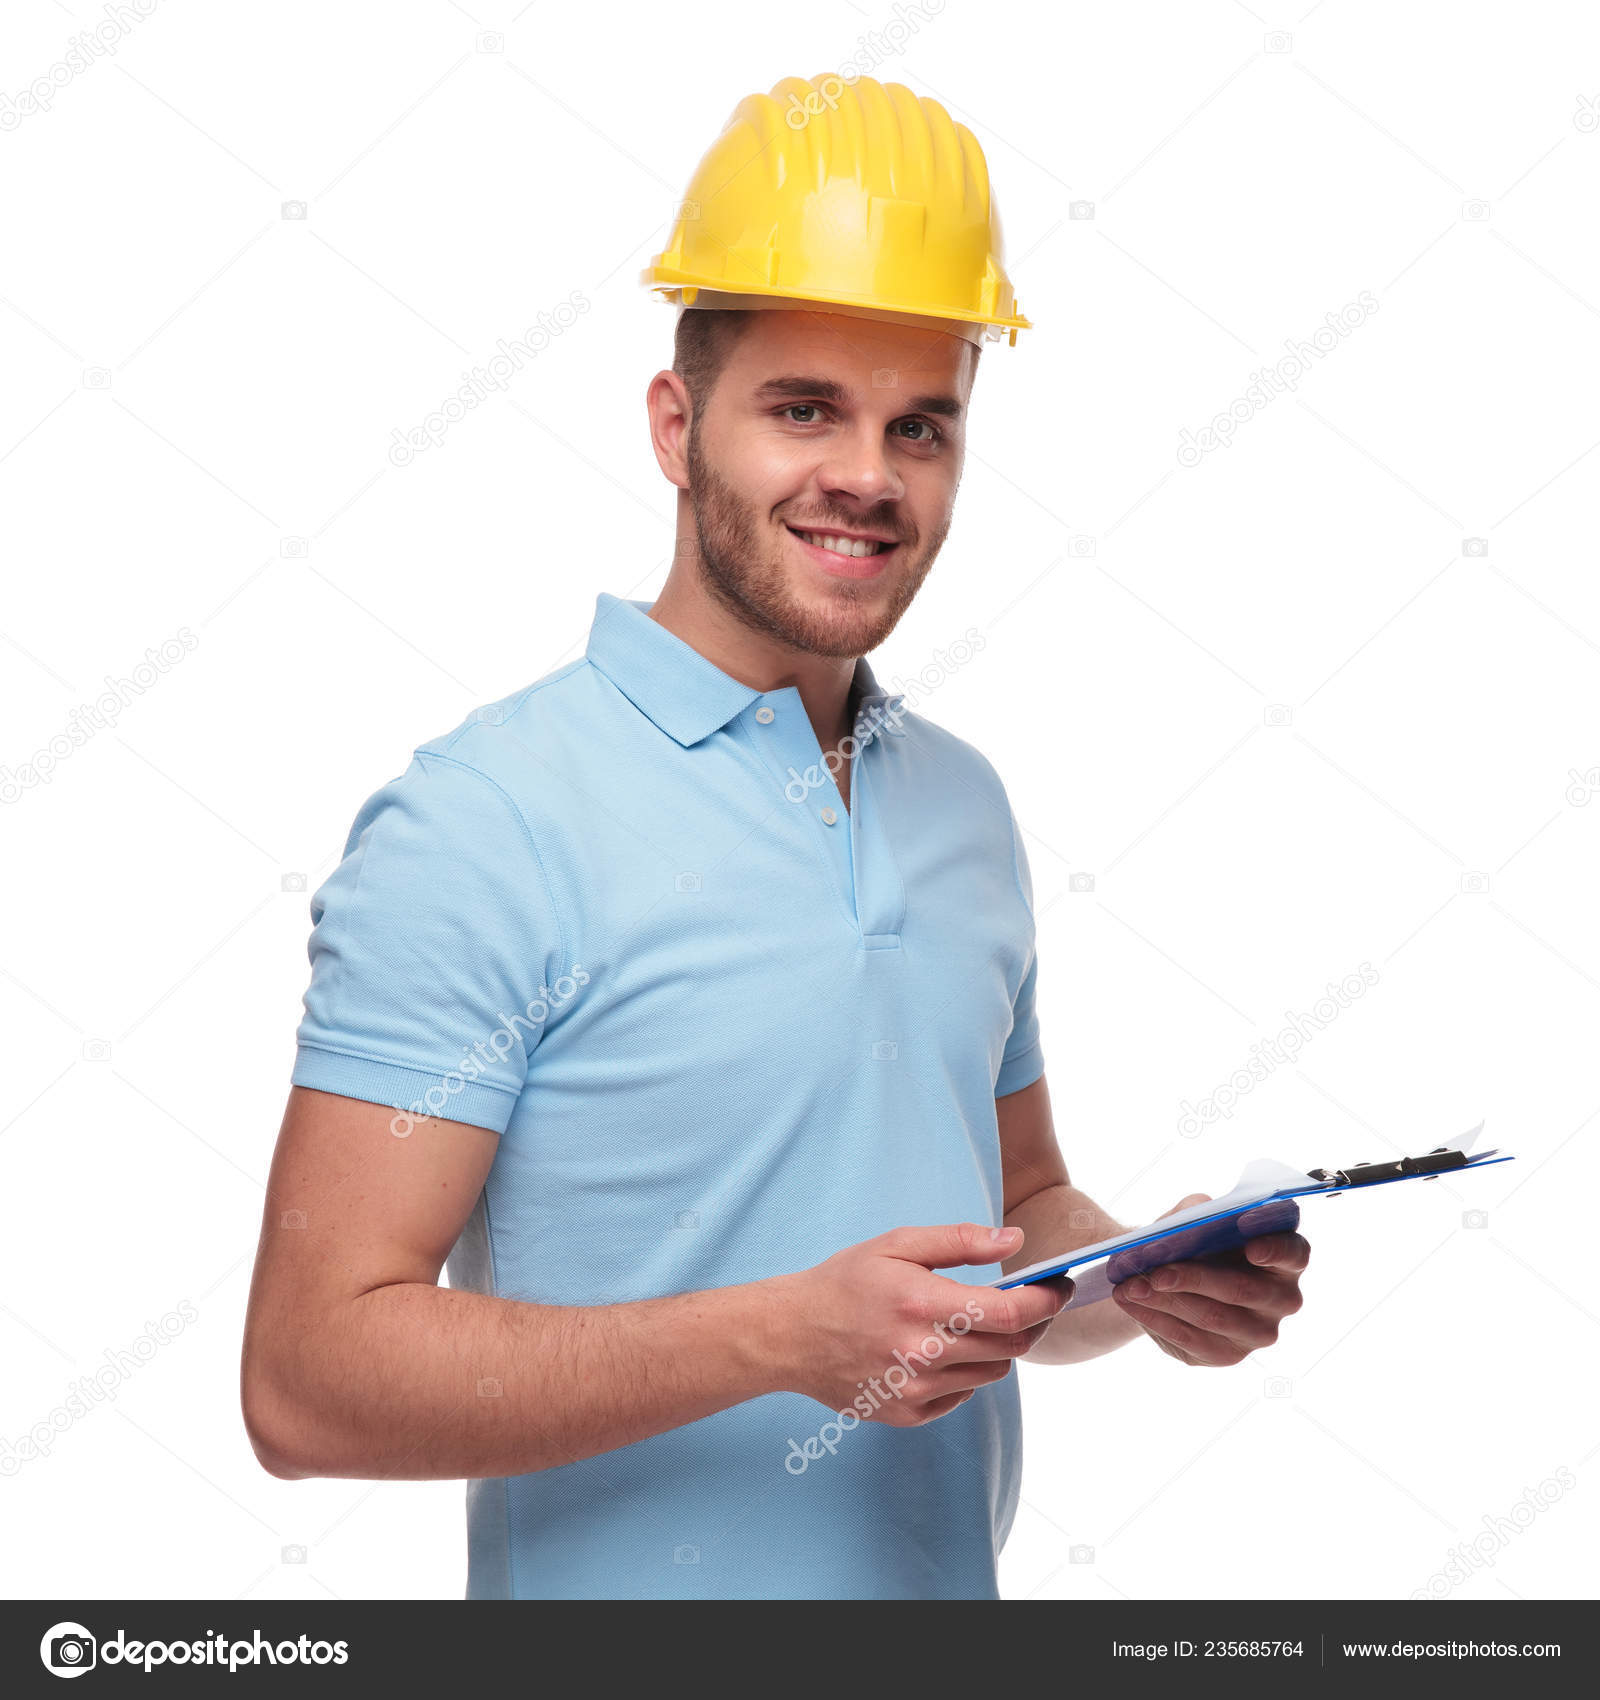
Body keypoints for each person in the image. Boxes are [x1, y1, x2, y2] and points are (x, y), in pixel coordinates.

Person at [241, 72, 1308, 1601]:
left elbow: (1015, 1218)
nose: (867, 475)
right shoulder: (484, 823)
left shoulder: (961, 805)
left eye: (920, 425)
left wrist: (1129, 1273)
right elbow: (304, 1380)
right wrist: (781, 1338)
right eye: (805, 408)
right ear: (677, 427)